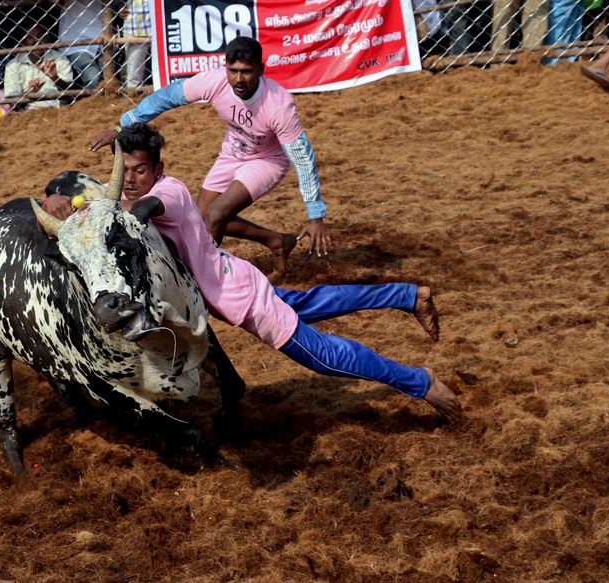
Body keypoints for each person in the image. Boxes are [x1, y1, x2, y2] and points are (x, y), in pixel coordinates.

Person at [48, 123, 463, 422]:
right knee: (311, 303)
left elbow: (139, 213)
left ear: (159, 169)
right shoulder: (133, 190)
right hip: (235, 277)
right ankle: (408, 296)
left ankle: (419, 383)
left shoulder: (167, 192)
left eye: (142, 170)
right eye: (129, 171)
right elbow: (109, 208)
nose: (134, 180)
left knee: (323, 357)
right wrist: (68, 200)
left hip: (239, 297)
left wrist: (95, 207)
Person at [89, 36, 331, 274]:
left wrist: (316, 215)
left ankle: (204, 278)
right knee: (200, 218)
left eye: (246, 71)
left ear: (261, 69)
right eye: (232, 70)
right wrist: (122, 126)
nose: (238, 79)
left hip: (267, 160)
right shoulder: (214, 81)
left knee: (217, 213)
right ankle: (277, 241)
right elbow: (167, 97)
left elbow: (302, 158)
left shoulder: (279, 105)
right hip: (232, 151)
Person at [3, 24, 72, 110]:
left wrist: (55, 78)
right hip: (30, 112)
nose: (37, 40)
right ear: (22, 43)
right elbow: (12, 105)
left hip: (58, 110)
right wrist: (29, 93)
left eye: (40, 35)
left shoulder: (60, 59)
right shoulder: (13, 65)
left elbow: (69, 96)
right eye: (30, 37)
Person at [50, 0, 103, 89]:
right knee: (93, 75)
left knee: (109, 75)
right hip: (75, 42)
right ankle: (91, 101)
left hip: (100, 39)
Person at [120, 0, 150, 94]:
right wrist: (120, 7)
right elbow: (117, 3)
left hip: (161, 26)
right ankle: (133, 97)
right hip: (135, 28)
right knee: (134, 75)